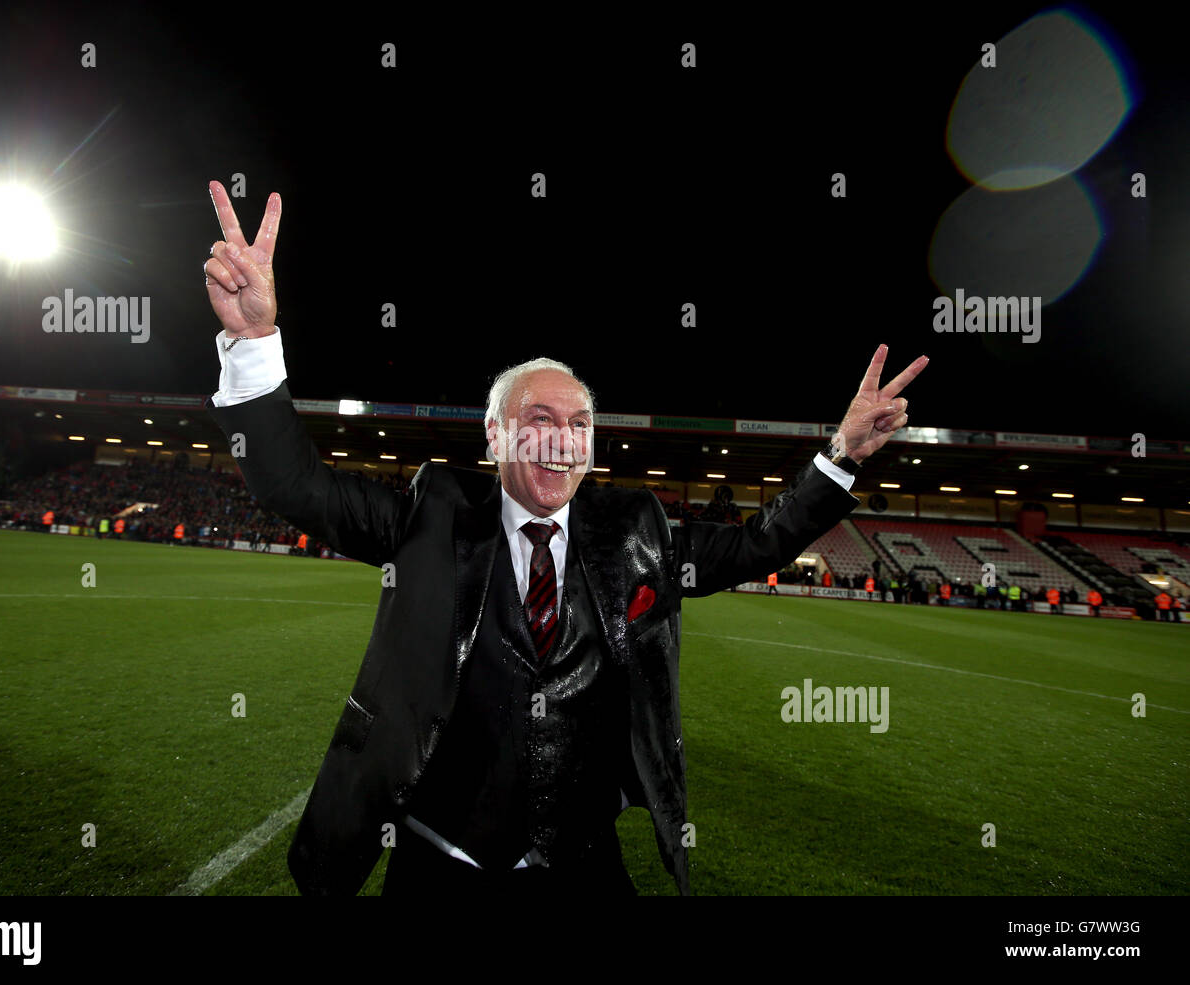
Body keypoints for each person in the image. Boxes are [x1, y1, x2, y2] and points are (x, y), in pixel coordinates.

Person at [200, 182, 928, 896]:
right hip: (439, 860)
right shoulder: (433, 513)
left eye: (579, 424)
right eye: (540, 418)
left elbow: (758, 544)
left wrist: (843, 455)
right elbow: (293, 487)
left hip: (582, 863)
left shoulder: (635, 530)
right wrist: (254, 339)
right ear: (495, 434)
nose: (563, 440)